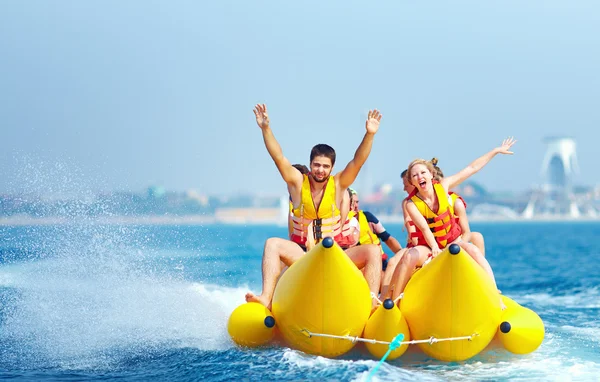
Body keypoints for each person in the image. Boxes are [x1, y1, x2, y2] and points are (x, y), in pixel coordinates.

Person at [245, 104, 383, 310]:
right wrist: (266, 129)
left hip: (335, 253)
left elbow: (358, 161)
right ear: (310, 164)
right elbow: (279, 158)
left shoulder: (338, 184)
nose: (320, 170)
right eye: (317, 165)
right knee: (272, 243)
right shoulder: (298, 183)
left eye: (325, 166)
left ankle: (371, 304)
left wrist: (369, 135)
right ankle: (266, 297)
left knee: (372, 251)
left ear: (332, 168)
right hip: (303, 254)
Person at [390, 137, 517, 309]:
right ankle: (395, 304)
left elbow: (472, 169)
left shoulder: (443, 186)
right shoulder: (411, 204)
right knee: (408, 257)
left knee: (473, 250)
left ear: (431, 174)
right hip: (429, 246)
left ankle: (494, 294)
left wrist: (495, 151)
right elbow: (425, 228)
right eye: (414, 175)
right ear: (412, 182)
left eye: (423, 172)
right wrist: (435, 248)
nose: (419, 176)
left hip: (452, 241)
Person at [347, 188, 407, 297]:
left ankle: (385, 301)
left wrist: (402, 254)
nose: (355, 206)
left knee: (388, 276)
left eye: (357, 202)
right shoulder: (339, 222)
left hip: (379, 263)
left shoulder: (368, 217)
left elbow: (388, 239)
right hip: (357, 266)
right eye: (352, 202)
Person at [430, 158, 486, 257]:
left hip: (454, 241)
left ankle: (479, 270)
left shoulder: (455, 202)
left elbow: (472, 168)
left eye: (439, 186)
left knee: (477, 236)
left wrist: (496, 151)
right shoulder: (417, 203)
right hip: (432, 244)